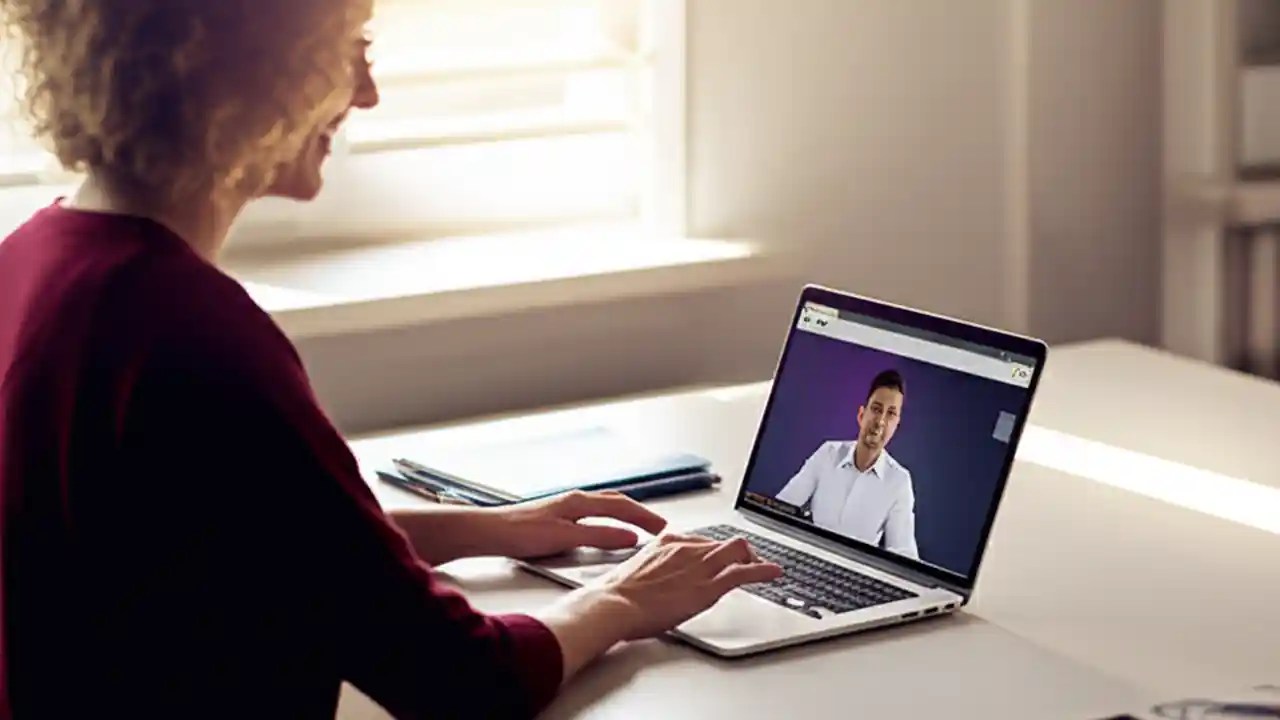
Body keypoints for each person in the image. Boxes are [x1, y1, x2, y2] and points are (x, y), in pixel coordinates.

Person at [0, 1, 782, 717]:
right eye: (348, 51)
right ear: (237, 70)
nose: (367, 92)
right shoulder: (196, 338)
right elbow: (463, 679)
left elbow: (274, 539)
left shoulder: (33, 261)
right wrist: (622, 599)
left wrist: (494, 528)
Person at [775, 370, 919, 559]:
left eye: (891, 414)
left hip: (857, 572)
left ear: (896, 426)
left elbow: (903, 552)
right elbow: (781, 506)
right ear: (861, 415)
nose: (881, 421)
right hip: (808, 556)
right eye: (876, 409)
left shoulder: (899, 481)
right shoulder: (828, 453)